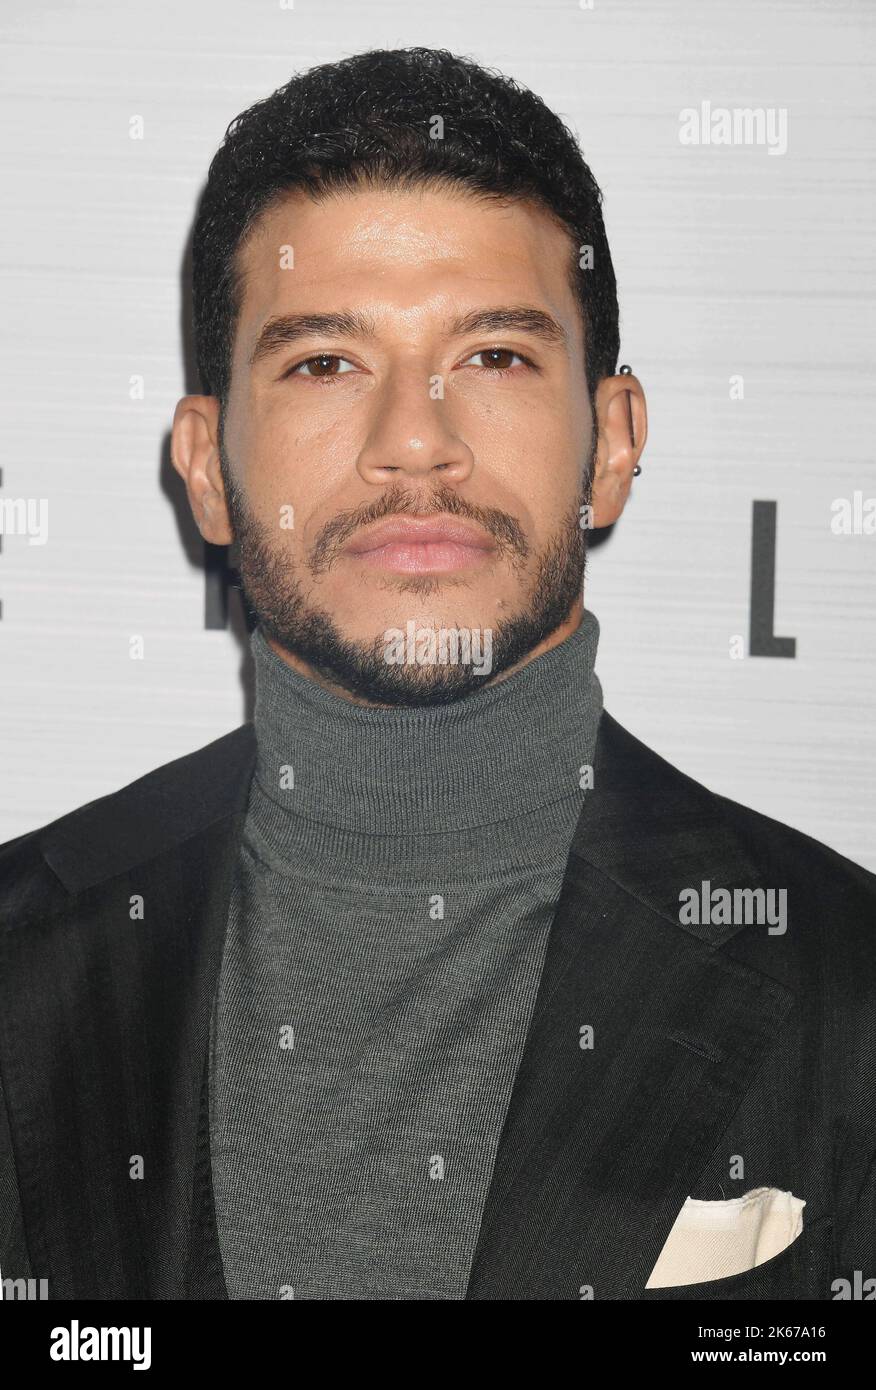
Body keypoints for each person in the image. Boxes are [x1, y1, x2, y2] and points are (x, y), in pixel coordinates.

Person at [1, 46, 873, 1302]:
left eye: (497, 357)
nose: (415, 441)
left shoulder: (849, 978)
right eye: (322, 362)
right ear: (205, 466)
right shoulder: (21, 950)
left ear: (614, 442)